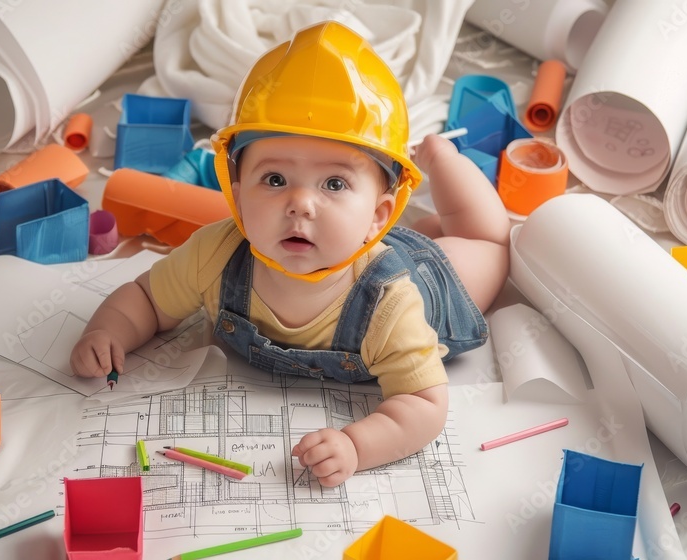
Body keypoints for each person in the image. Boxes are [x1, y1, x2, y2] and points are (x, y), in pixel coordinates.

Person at [70, 21, 510, 487]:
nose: (300, 203)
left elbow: (424, 405)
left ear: (380, 214)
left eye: (334, 183)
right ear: (237, 195)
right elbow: (146, 298)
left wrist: (358, 445)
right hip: (364, 242)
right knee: (439, 228)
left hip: (431, 280)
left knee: (488, 242)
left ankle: (441, 158)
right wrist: (108, 330)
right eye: (275, 179)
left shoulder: (392, 305)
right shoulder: (214, 254)